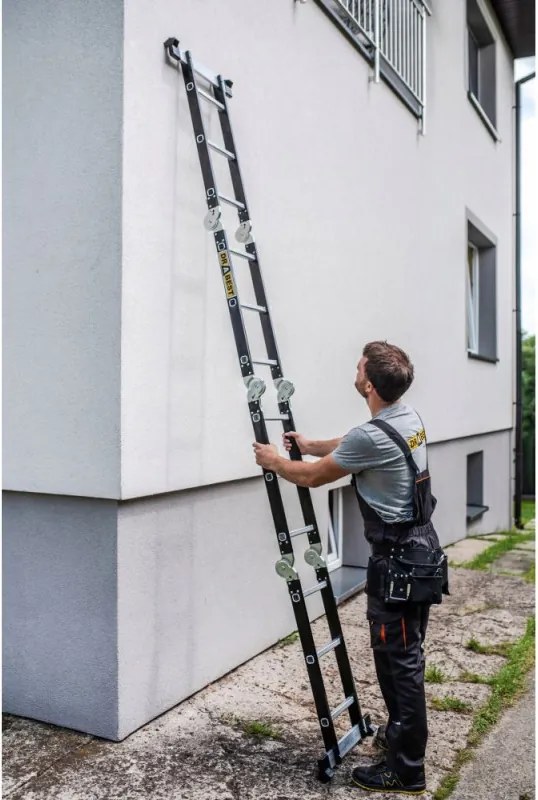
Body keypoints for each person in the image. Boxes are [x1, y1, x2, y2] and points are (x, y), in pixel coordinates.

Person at [253, 340, 446, 795]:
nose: (355, 369)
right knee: (406, 655)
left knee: (400, 664)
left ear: (369, 384)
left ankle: (407, 769)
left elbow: (314, 476)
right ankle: (399, 741)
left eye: (359, 366)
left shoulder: (374, 435)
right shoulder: (406, 418)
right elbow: (354, 442)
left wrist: (275, 461)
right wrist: (309, 442)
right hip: (421, 555)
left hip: (398, 565)